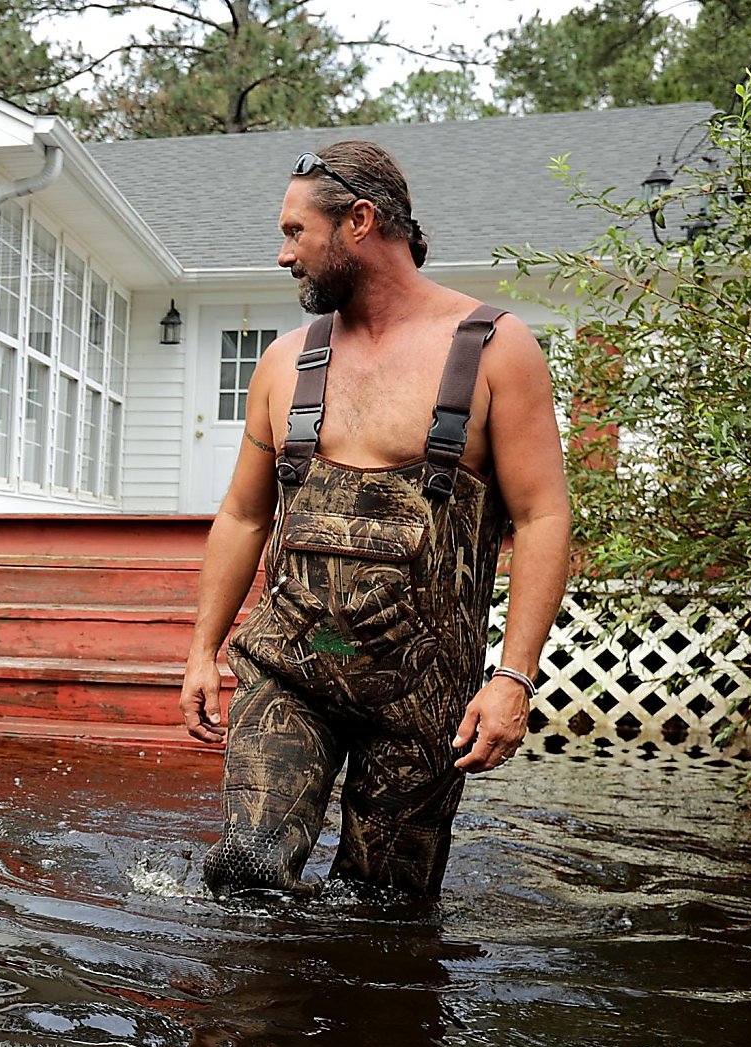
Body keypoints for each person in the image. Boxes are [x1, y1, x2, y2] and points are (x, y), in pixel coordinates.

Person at [180, 141, 571, 898]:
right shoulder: (284, 361)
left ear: (359, 221)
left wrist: (513, 679)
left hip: (424, 694)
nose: (284, 253)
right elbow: (241, 515)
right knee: (248, 873)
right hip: (295, 659)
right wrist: (202, 650)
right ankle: (253, 1019)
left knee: (385, 909)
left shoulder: (495, 349)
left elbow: (543, 517)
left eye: (296, 232)